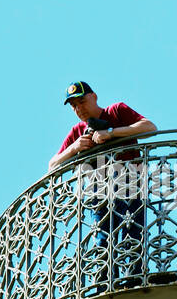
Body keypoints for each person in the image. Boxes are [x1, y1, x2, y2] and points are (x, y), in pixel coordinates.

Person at [50, 81, 158, 285]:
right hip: (98, 191)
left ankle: (133, 279)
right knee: (102, 237)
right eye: (74, 106)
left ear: (94, 97)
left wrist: (111, 133)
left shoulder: (116, 111)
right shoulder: (78, 131)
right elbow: (52, 165)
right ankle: (104, 282)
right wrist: (74, 148)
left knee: (131, 234)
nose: (79, 109)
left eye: (81, 101)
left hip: (129, 184)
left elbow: (150, 128)